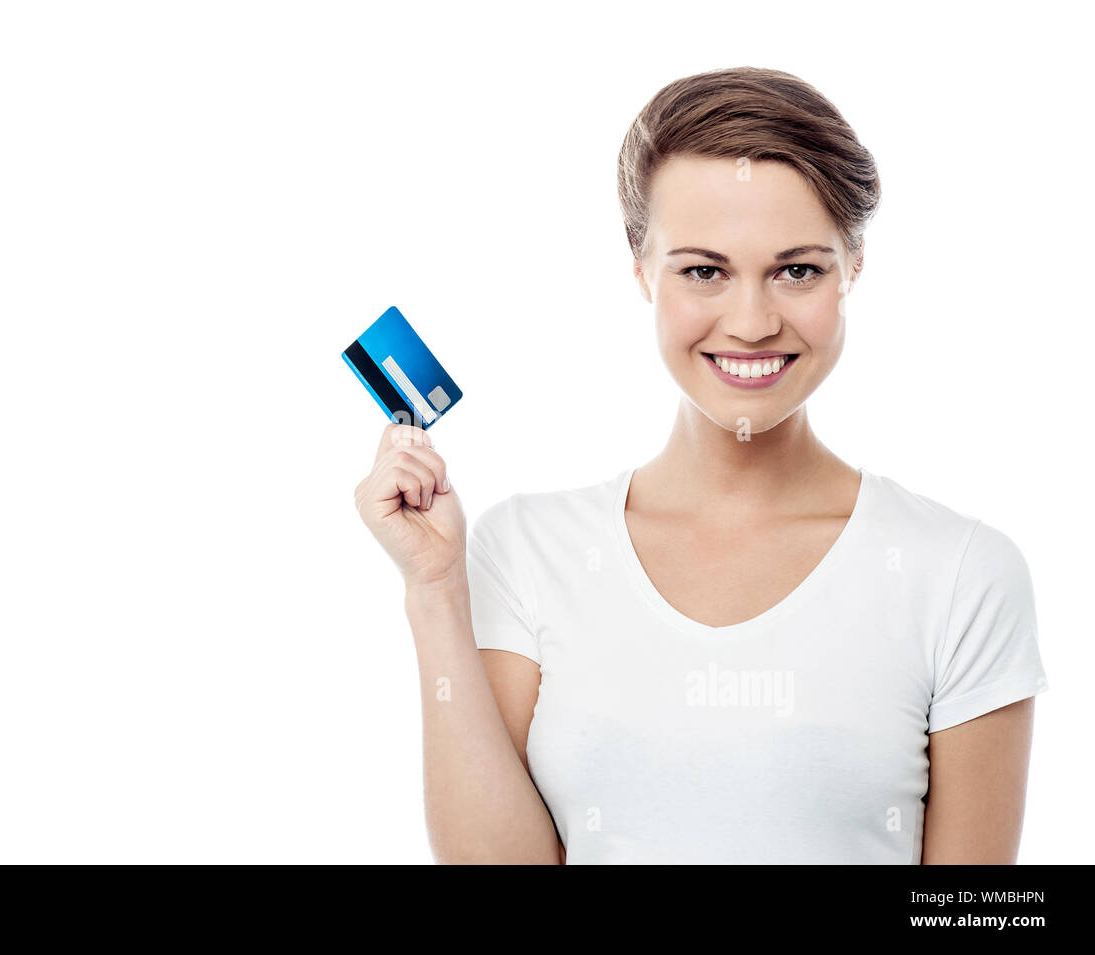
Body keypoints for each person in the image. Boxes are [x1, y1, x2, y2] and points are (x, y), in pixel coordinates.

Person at [353, 66, 1048, 864]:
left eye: (797, 269)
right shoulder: (528, 548)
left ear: (853, 266)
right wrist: (435, 590)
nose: (751, 321)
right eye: (704, 270)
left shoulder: (960, 572)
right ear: (642, 269)